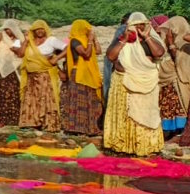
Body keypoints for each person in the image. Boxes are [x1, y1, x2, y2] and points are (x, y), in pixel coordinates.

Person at [104, 13, 165, 156]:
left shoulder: (151, 39)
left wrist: (147, 37)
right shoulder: (123, 39)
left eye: (141, 24)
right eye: (134, 24)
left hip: (146, 83)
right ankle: (123, 144)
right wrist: (124, 39)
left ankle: (144, 145)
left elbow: (159, 53)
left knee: (145, 115)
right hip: (125, 83)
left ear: (146, 25)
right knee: (127, 114)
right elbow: (111, 56)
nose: (138, 27)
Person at [18, 20, 63, 132]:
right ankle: (32, 122)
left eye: (42, 29)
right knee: (31, 99)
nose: (40, 31)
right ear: (33, 31)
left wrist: (56, 58)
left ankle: (47, 123)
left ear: (45, 29)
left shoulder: (51, 40)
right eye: (37, 29)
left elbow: (67, 47)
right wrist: (25, 41)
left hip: (45, 75)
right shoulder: (30, 42)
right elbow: (20, 54)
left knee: (45, 98)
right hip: (31, 77)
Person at [61, 19, 103, 136]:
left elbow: (98, 51)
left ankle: (89, 127)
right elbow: (86, 54)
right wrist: (90, 40)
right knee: (79, 100)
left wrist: (94, 39)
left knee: (90, 100)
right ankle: (76, 128)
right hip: (78, 74)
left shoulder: (86, 40)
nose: (88, 30)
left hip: (88, 74)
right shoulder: (75, 41)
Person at [157, 17, 190, 137]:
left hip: (178, 80)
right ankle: (170, 131)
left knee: (178, 104)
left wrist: (171, 43)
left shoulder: (185, 44)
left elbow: (180, 61)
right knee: (167, 106)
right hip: (168, 81)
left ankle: (178, 131)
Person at [0, 20, 26, 127]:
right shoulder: (1, 39)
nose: (7, 31)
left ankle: (13, 118)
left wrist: (22, 43)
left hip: (14, 69)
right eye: (5, 29)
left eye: (9, 29)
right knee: (1, 94)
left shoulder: (18, 40)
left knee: (13, 94)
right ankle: (0, 119)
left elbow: (19, 53)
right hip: (2, 68)